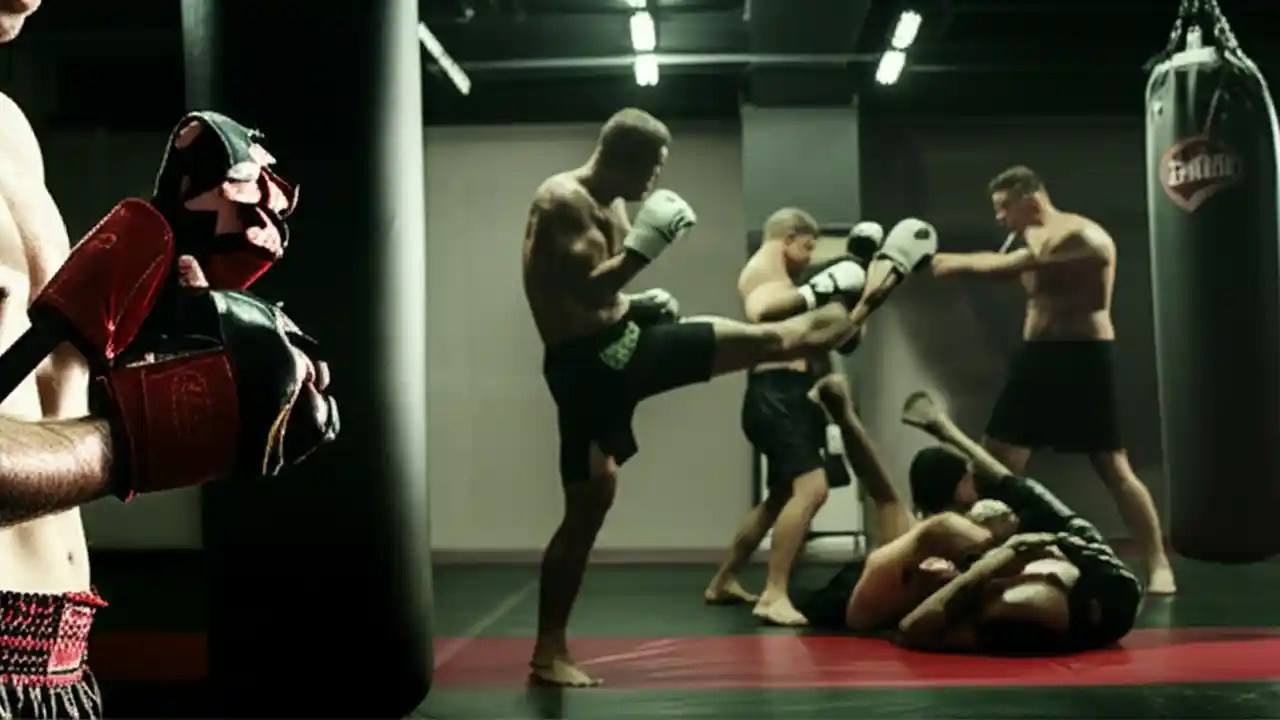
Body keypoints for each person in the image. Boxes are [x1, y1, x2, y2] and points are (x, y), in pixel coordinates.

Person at [521, 108, 937, 686]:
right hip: (591, 368)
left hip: (626, 344)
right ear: (624, 158)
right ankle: (548, 654)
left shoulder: (613, 201)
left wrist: (637, 302)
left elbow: (589, 295)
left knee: (775, 339)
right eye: (653, 168)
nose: (656, 181)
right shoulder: (560, 201)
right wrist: (643, 254)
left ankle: (873, 287)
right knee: (587, 510)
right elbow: (582, 290)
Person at [928, 166, 1175, 594]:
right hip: (1036, 360)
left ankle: (1158, 564)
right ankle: (979, 560)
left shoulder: (1082, 236)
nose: (1000, 218)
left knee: (1113, 466)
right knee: (993, 468)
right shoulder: (1029, 239)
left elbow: (1015, 265)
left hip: (1083, 359)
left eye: (1005, 207)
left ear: (1032, 200)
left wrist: (953, 262)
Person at [703, 213, 884, 626]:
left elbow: (837, 337)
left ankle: (724, 580)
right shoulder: (764, 270)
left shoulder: (785, 279)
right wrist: (824, 286)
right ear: (788, 239)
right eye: (807, 247)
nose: (808, 257)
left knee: (781, 495)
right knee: (813, 488)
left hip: (786, 394)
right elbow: (761, 310)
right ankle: (774, 594)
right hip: (777, 395)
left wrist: (862, 298)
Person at [896, 390, 1143, 653]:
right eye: (968, 478)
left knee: (1024, 498)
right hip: (1088, 592)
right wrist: (1008, 551)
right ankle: (945, 430)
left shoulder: (941, 539)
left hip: (1083, 582)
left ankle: (946, 431)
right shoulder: (1016, 597)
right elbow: (913, 629)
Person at [787, 375, 1006, 634]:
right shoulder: (913, 534)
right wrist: (843, 415)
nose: (977, 484)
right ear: (959, 489)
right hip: (852, 601)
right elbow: (875, 479)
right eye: (969, 478)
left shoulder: (961, 532)